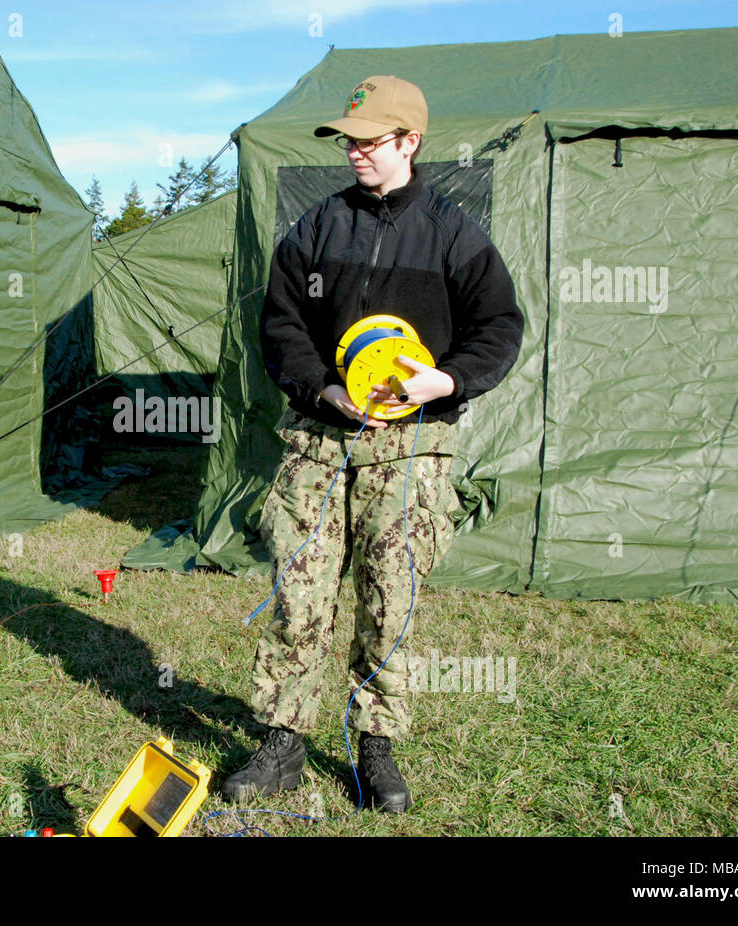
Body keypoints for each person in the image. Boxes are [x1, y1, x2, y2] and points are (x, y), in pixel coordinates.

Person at [220, 75, 523, 812]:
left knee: (390, 602)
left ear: (410, 142)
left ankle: (376, 748)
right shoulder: (317, 228)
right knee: (300, 594)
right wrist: (321, 389)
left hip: (412, 448)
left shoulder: (455, 236)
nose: (354, 152)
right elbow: (281, 326)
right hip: (318, 444)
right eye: (349, 141)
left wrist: (445, 383)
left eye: (369, 141)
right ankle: (283, 742)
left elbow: (501, 329)